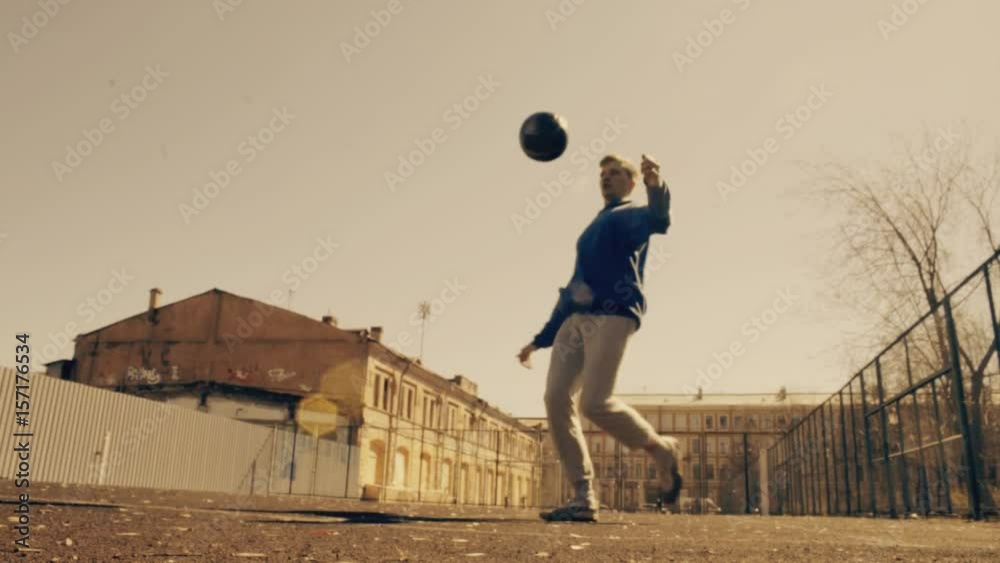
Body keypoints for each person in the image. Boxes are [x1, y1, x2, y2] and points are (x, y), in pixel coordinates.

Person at [518, 153, 682, 522]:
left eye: (616, 174)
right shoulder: (593, 226)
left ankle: (661, 449)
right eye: (603, 174)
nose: (606, 178)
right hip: (574, 321)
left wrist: (657, 186)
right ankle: (582, 495)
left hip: (613, 313)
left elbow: (659, 218)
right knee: (556, 396)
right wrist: (540, 339)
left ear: (631, 182)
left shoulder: (630, 216)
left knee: (594, 403)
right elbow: (574, 286)